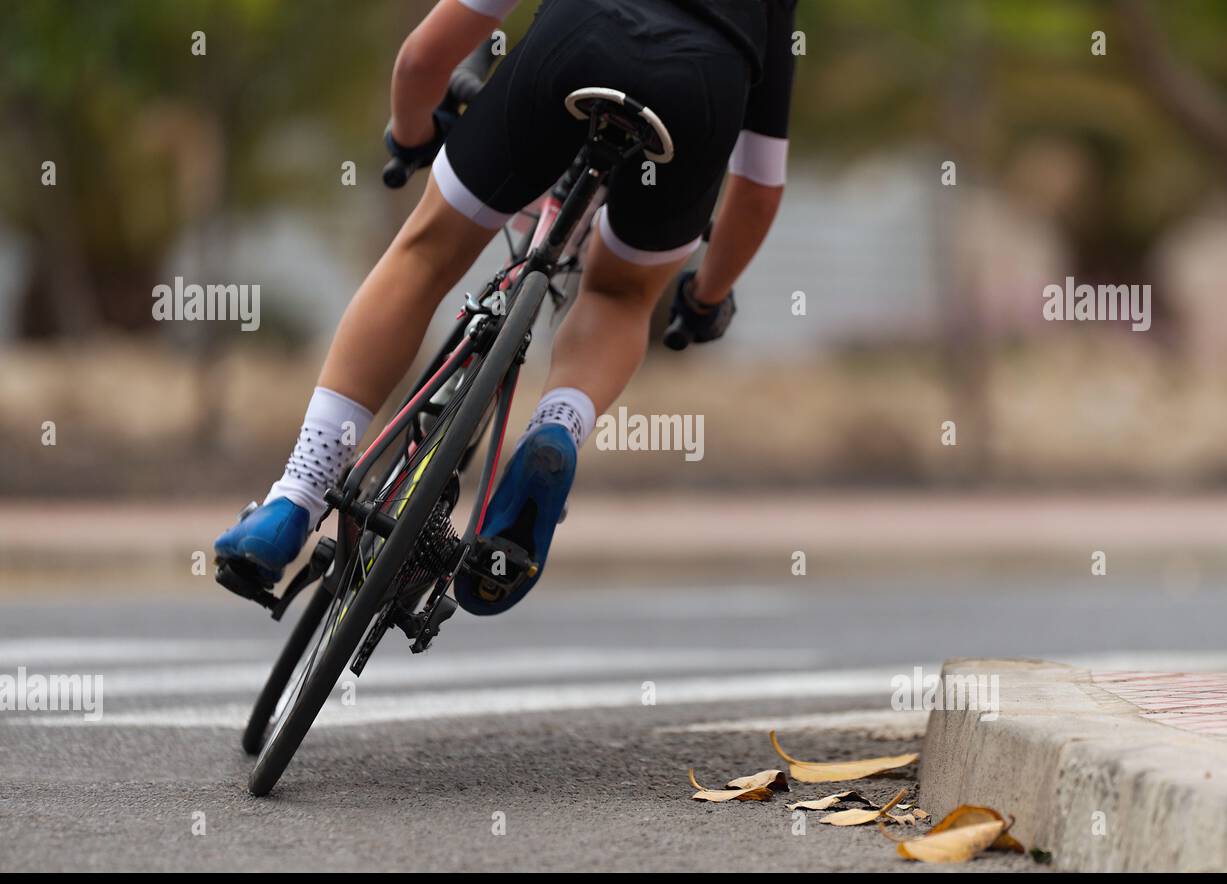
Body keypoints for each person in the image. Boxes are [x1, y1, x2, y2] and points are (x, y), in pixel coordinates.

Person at [215, 0, 797, 614]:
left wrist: (410, 136)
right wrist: (706, 297)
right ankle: (556, 429)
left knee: (425, 254)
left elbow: (421, 57)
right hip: (702, 88)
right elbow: (759, 188)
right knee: (619, 294)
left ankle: (297, 496)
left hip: (576, 42)